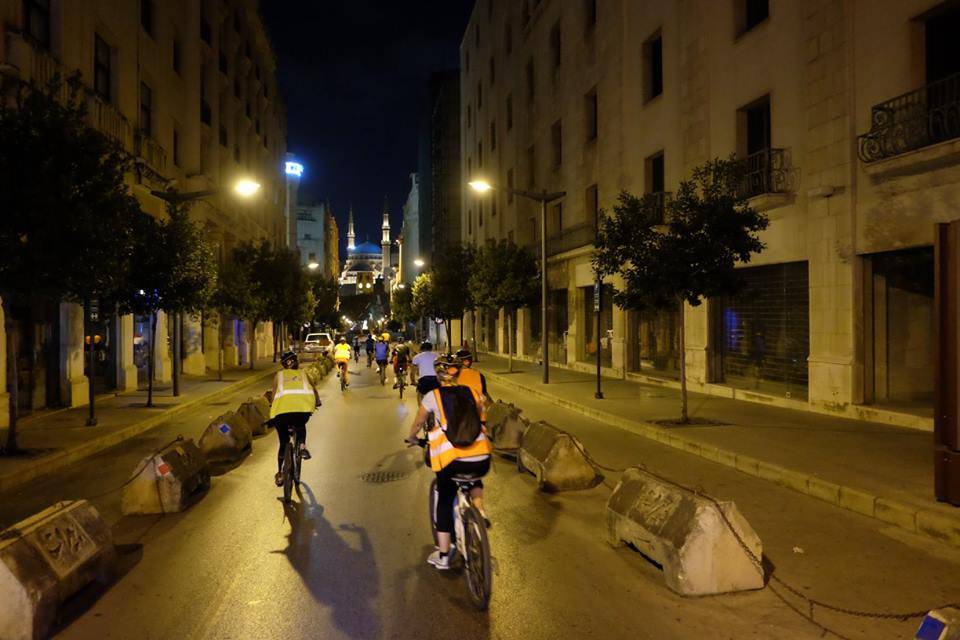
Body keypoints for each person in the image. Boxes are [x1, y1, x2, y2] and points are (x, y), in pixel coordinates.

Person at [405, 354, 491, 570]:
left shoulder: (433, 396)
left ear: (438, 374)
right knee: (475, 479)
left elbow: (418, 422)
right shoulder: (474, 393)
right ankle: (479, 512)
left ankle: (444, 556)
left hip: (452, 460)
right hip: (481, 457)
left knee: (445, 499)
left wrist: (412, 437)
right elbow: (481, 415)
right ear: (458, 373)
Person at [269, 350, 320, 486]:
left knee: (283, 442)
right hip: (301, 412)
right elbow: (313, 389)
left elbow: (273, 396)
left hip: (281, 413)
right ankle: (302, 446)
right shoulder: (304, 374)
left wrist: (271, 407)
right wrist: (317, 402)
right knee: (300, 425)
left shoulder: (279, 376)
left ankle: (280, 473)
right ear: (296, 361)